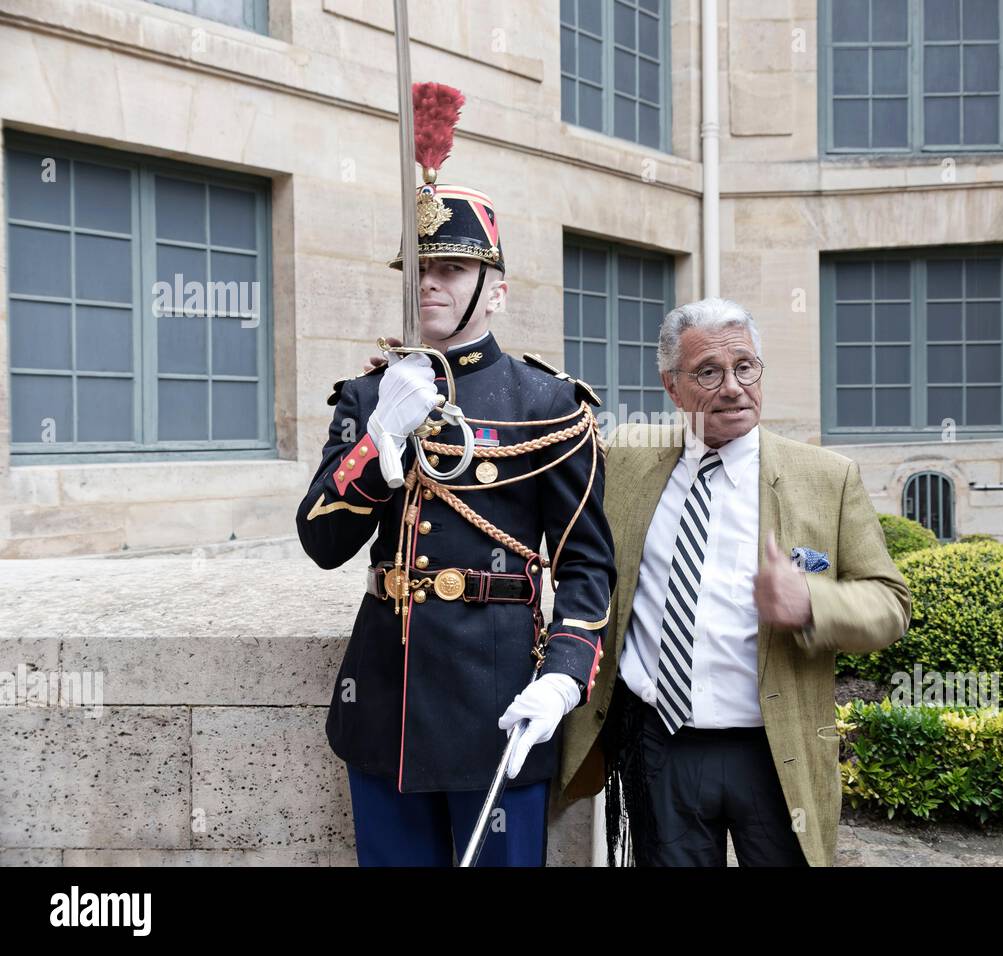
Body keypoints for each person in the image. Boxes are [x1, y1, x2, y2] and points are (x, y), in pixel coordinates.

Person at [296, 83, 615, 867]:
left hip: (500, 697)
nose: (430, 281)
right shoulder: (369, 395)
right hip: (388, 699)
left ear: (495, 290)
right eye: (420, 267)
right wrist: (379, 440)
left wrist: (566, 675)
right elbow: (321, 541)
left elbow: (586, 567)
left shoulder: (548, 404)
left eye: (451, 266)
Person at [557, 297, 911, 867]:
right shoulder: (623, 462)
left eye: (746, 367)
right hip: (658, 747)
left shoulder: (826, 478)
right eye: (708, 373)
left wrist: (811, 603)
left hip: (775, 751)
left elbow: (891, 605)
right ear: (671, 388)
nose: (733, 388)